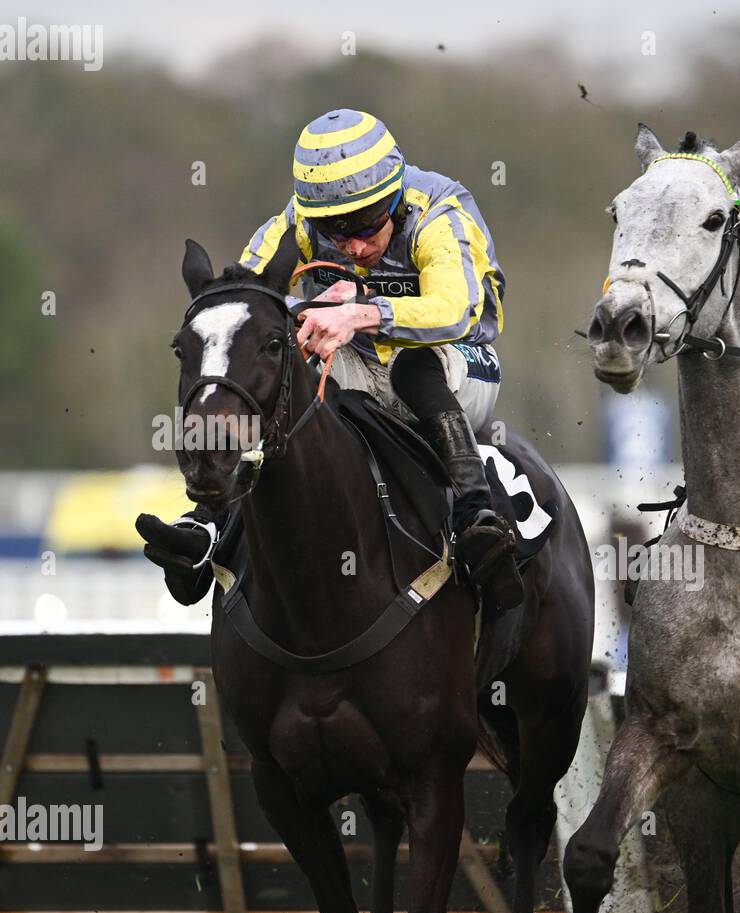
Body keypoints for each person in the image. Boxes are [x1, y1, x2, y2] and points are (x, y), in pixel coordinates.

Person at [149, 109, 523, 612]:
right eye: (334, 229)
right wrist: (306, 310)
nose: (353, 245)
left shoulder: (438, 212)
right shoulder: (297, 222)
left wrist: (359, 312)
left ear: (393, 198)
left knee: (414, 366)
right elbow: (244, 306)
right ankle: (212, 521)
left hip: (455, 359)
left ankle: (476, 512)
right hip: (351, 366)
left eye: (367, 225)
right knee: (275, 369)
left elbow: (454, 310)